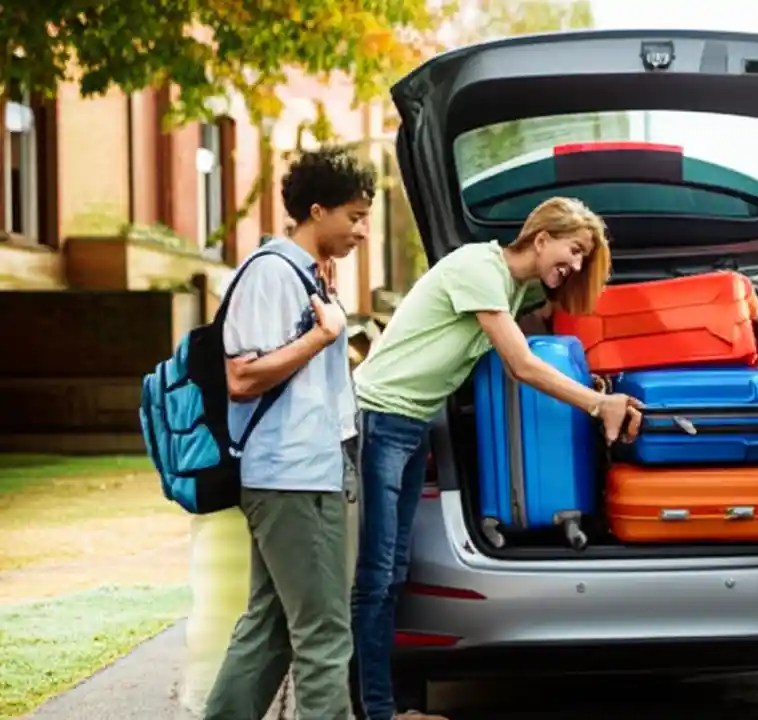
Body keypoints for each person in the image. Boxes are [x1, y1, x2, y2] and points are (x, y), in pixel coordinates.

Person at [350, 196, 642, 720]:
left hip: (413, 423)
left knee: (393, 571)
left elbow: (551, 328)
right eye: (573, 251)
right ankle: (375, 711)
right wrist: (598, 403)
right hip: (381, 418)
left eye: (581, 258)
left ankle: (386, 708)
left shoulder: (514, 287)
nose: (575, 265)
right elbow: (522, 365)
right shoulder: (479, 267)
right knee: (375, 576)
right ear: (540, 238)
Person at [203, 146, 376, 719]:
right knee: (324, 639)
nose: (362, 231)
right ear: (317, 210)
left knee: (271, 627)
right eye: (353, 216)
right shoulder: (272, 273)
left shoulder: (307, 275)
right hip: (296, 478)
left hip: (308, 470)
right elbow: (242, 376)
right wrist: (321, 338)